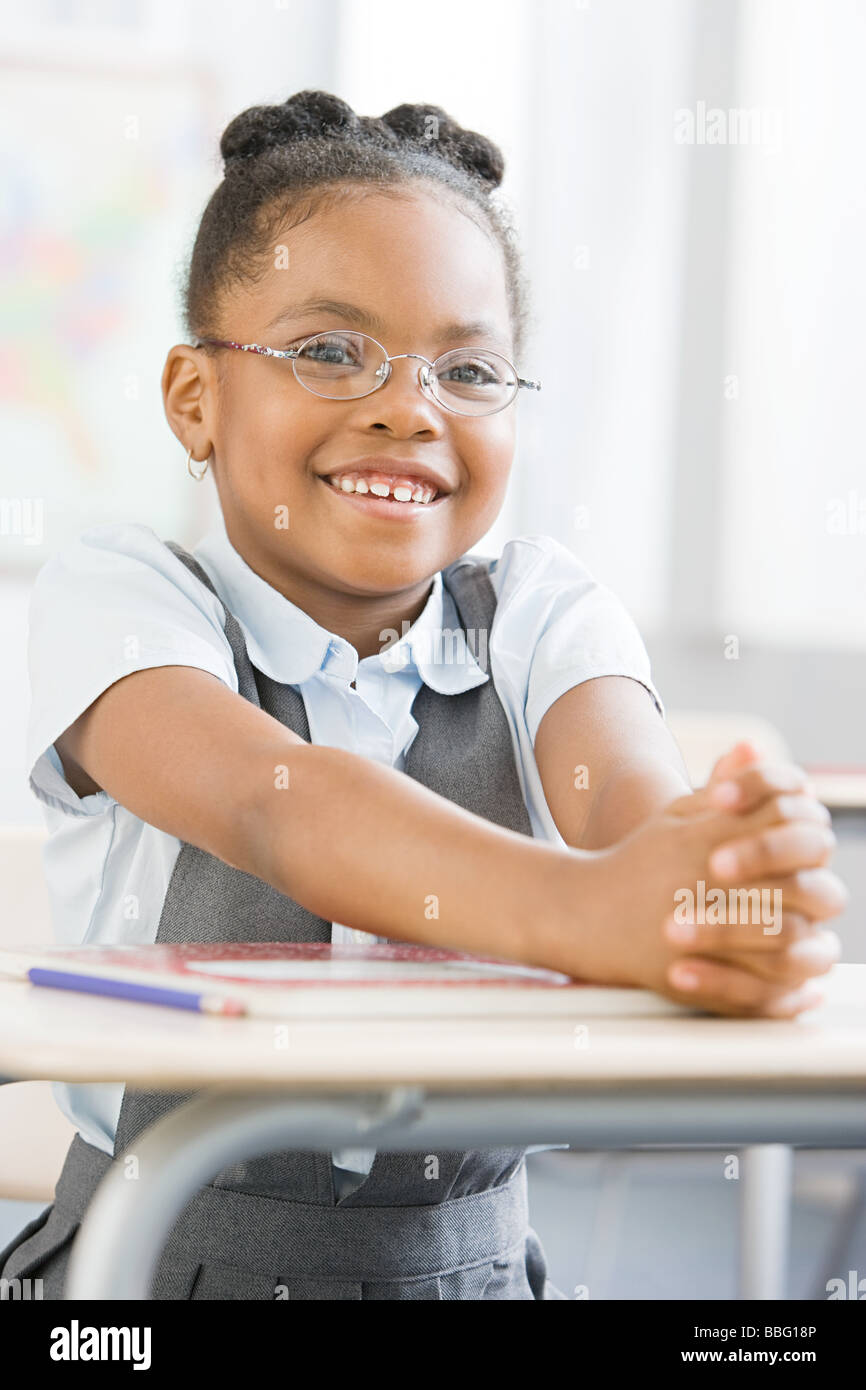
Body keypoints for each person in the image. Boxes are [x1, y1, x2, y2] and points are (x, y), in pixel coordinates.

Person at [0, 90, 844, 1301]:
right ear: (195, 398)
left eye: (468, 367)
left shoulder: (545, 612)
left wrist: (719, 884)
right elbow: (272, 803)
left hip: (472, 1279)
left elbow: (633, 807)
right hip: (150, 1275)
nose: (410, 405)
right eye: (330, 350)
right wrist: (598, 912)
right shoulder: (124, 595)